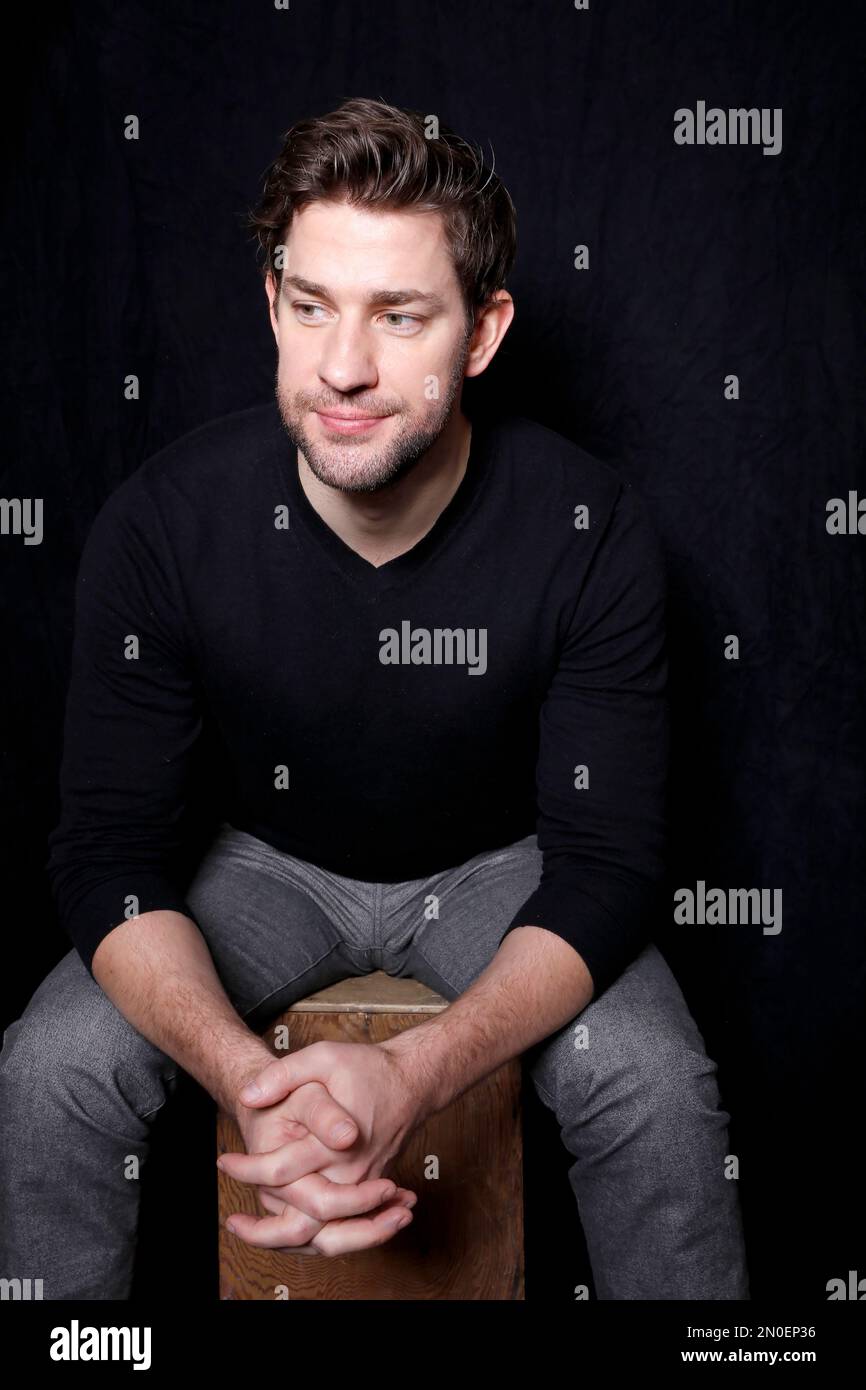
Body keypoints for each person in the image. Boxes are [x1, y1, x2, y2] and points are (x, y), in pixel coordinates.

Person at [0, 97, 749, 1299]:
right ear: (272, 305)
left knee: (652, 1082)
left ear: (482, 333)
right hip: (263, 866)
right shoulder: (164, 520)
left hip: (505, 869)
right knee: (54, 1065)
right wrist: (251, 1083)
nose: (342, 366)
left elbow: (607, 866)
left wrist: (411, 1076)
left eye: (399, 317)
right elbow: (108, 850)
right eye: (311, 308)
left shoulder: (586, 524)